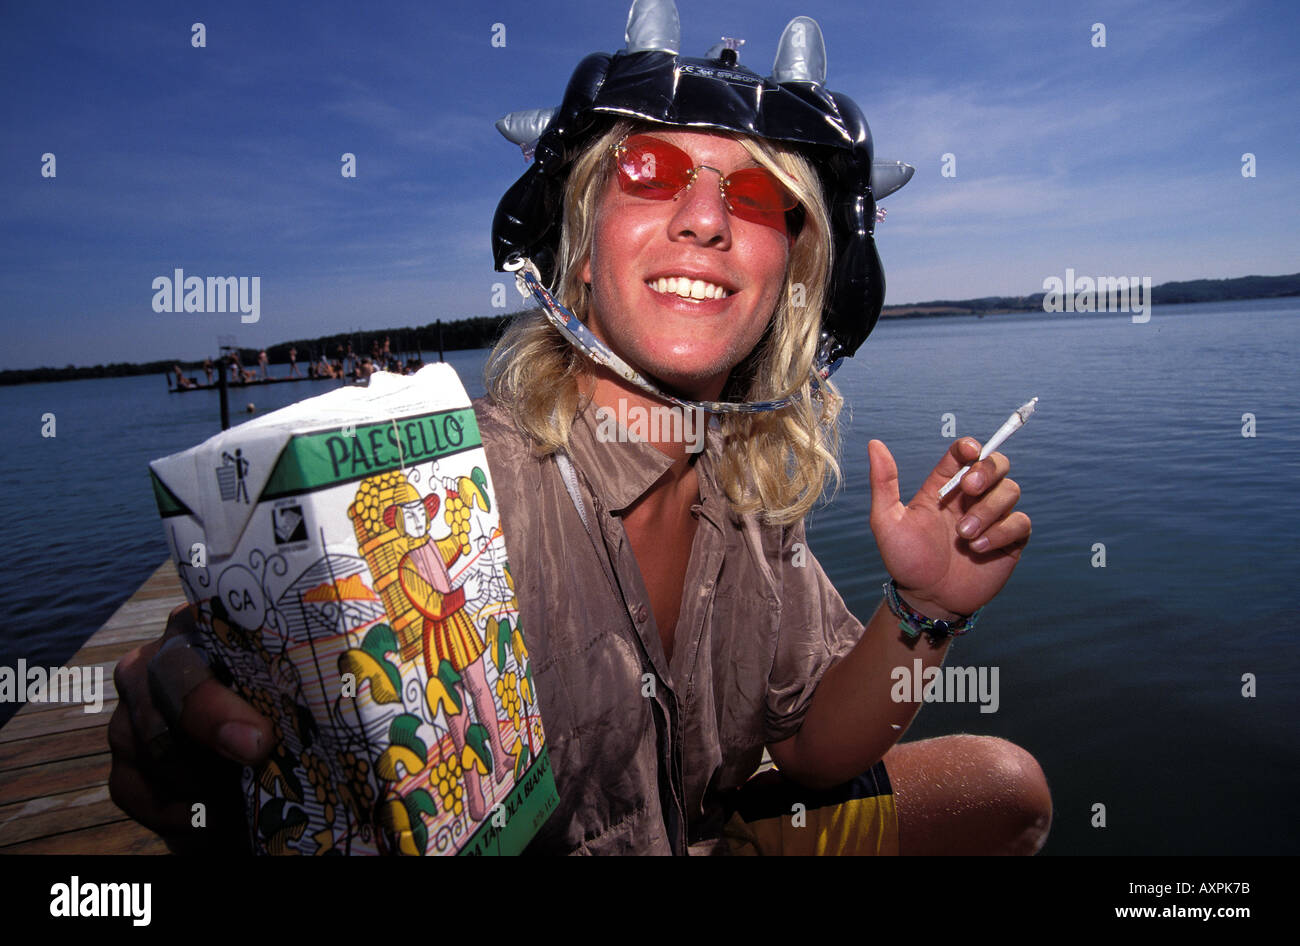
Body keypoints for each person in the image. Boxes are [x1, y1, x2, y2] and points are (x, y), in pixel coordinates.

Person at [110, 1, 1049, 855]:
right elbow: (290, 647)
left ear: (792, 275)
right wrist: (217, 708)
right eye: (649, 170)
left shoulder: (752, 492)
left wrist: (927, 610)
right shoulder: (458, 491)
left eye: (756, 194)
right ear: (581, 249)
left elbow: (805, 745)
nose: (704, 218)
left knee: (1011, 791)